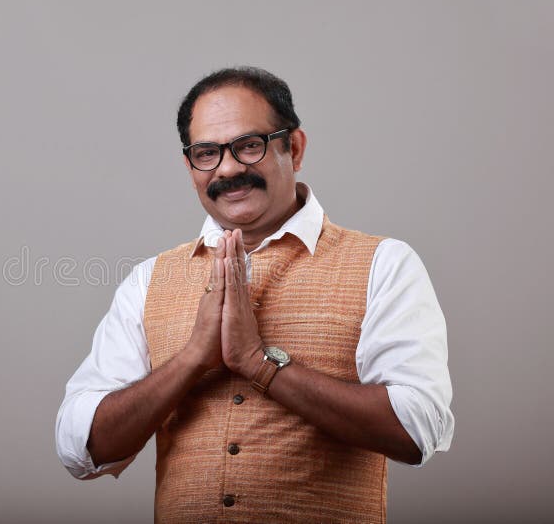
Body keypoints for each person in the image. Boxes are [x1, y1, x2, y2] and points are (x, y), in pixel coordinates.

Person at [55, 66, 454, 523]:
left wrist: (258, 363)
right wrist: (190, 361)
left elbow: (416, 429)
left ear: (295, 148)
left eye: (249, 145)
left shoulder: (384, 264)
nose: (228, 168)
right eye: (207, 152)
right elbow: (80, 448)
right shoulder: (151, 279)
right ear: (190, 168)